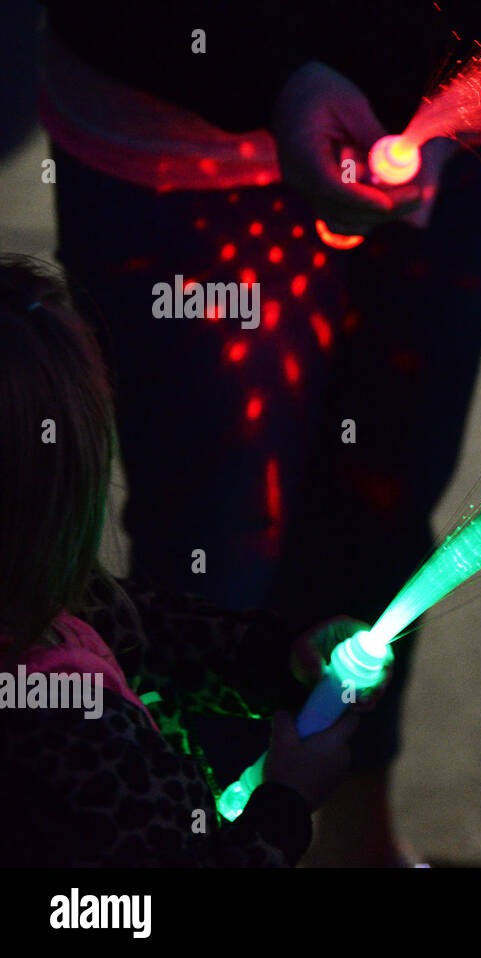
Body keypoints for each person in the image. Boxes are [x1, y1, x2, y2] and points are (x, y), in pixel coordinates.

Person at [39, 0, 481, 864]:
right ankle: (204, 839)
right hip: (175, 162)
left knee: (383, 502)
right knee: (212, 549)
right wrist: (266, 72)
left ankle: (347, 826)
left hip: (448, 132)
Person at [0, 257, 387, 866]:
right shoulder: (78, 736)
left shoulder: (53, 610)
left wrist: (281, 658)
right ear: (68, 484)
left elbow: (150, 630)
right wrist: (285, 804)